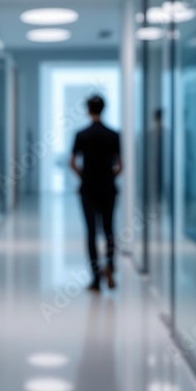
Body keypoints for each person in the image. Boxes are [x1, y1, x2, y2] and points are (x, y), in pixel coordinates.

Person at [69, 95, 122, 292]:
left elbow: (72, 163)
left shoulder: (82, 135)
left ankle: (95, 277)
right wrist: (110, 176)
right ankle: (110, 266)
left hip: (88, 189)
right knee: (109, 229)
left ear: (88, 110)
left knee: (91, 231)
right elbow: (120, 165)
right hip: (108, 188)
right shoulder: (113, 135)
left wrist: (84, 176)